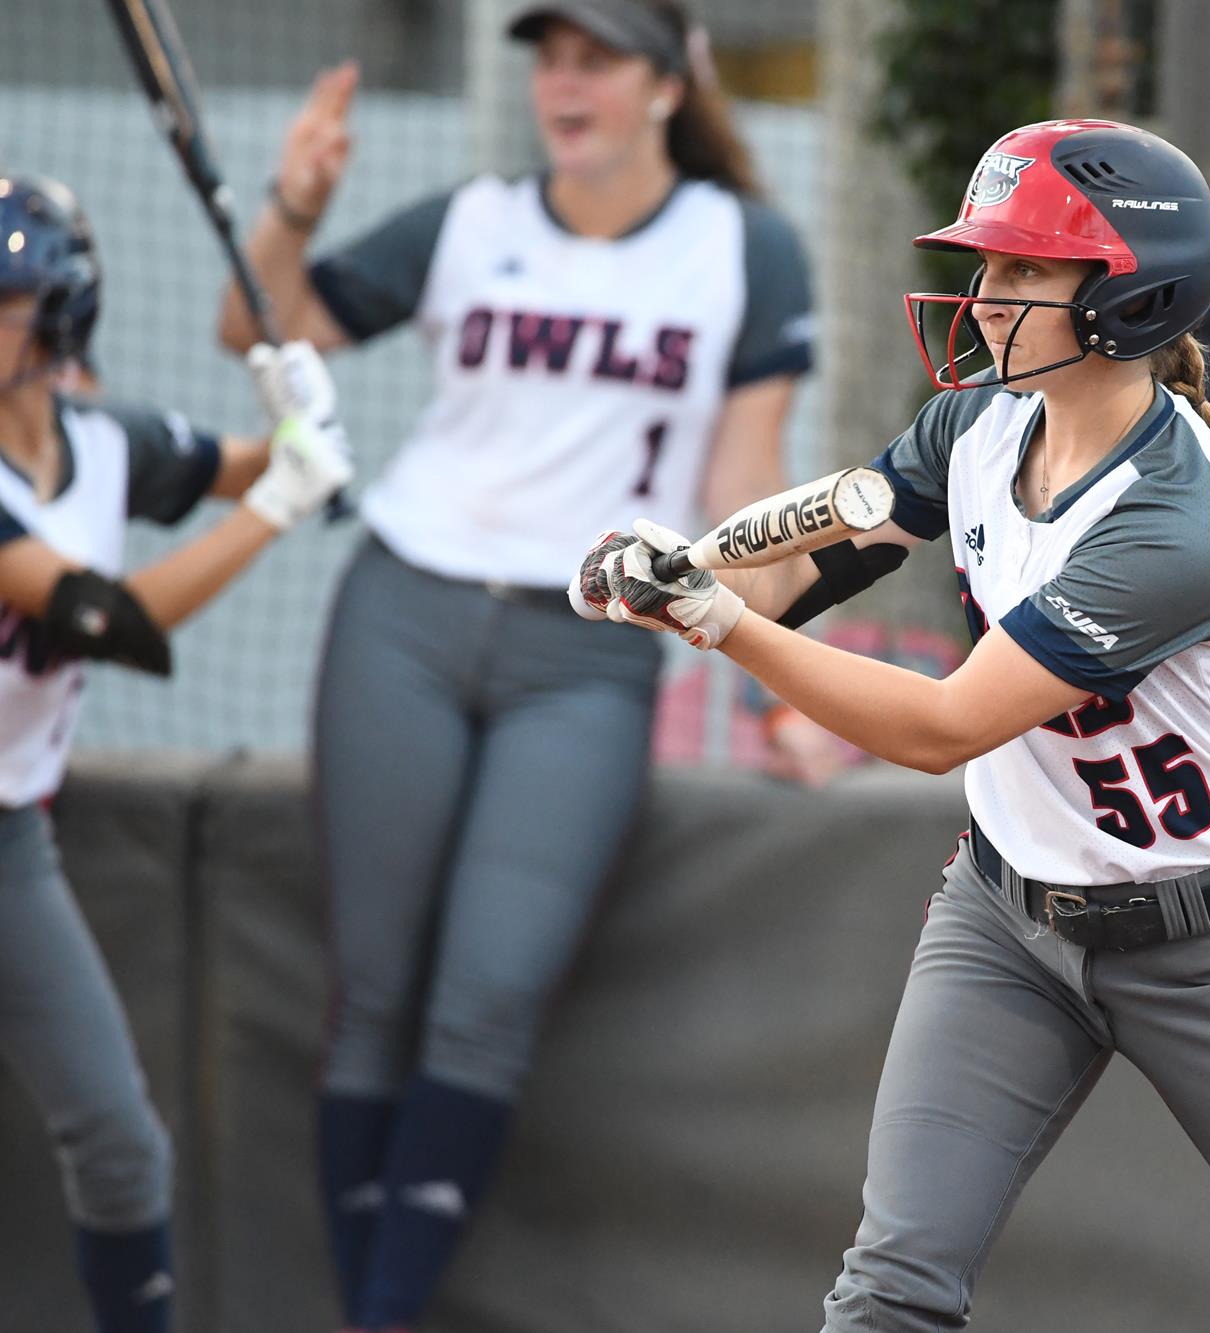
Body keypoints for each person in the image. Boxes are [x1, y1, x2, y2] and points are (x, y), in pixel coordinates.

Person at [575, 119, 1210, 1331]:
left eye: (1020, 272)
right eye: (986, 265)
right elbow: (798, 578)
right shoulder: (978, 425)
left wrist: (715, 627)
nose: (982, 294)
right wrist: (674, 577)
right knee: (888, 1295)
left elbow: (938, 728)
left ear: (1126, 298)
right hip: (1005, 925)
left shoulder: (1176, 526)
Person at [213, 2, 814, 1328]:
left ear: (668, 85)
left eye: (596, 57)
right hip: (405, 611)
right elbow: (255, 334)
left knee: (487, 995)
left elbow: (744, 485)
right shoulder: (472, 221)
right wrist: (292, 209)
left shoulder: (745, 250)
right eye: (548, 55)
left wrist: (782, 686)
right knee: (371, 991)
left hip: (586, 650)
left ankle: (385, 1310)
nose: (564, 81)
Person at [0, 172, 352, 1333]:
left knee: (119, 1146)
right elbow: (110, 618)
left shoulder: (102, 445)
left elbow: (227, 461)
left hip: (15, 842)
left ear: (56, 314)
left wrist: (299, 420)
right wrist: (282, 504)